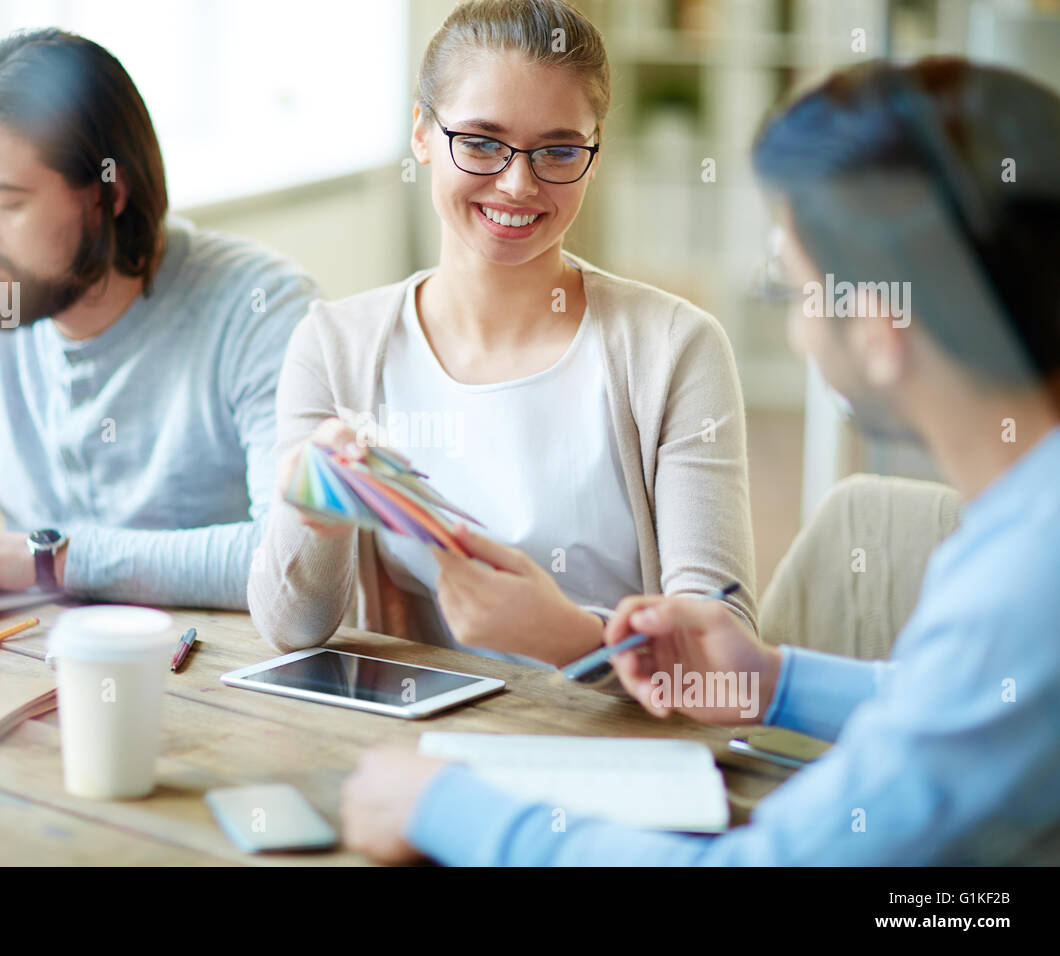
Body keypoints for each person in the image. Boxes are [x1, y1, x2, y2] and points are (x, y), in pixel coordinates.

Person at [339, 56, 1060, 865]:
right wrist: (775, 682)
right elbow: (969, 707)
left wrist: (452, 809)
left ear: (877, 330)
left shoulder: (1024, 583)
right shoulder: (1027, 528)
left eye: (789, 287)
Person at [247, 0, 756, 678]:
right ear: (422, 133)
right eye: (482, 141)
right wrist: (313, 511)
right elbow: (293, 631)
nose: (518, 183)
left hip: (623, 748)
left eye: (558, 150)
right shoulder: (335, 347)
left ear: (594, 151)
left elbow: (724, 654)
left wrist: (570, 637)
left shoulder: (674, 348)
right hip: (423, 746)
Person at [0, 29, 317, 607]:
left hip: (213, 673)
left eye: (6, 201)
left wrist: (50, 558)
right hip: (39, 660)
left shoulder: (261, 311)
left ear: (109, 194)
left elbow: (293, 567)